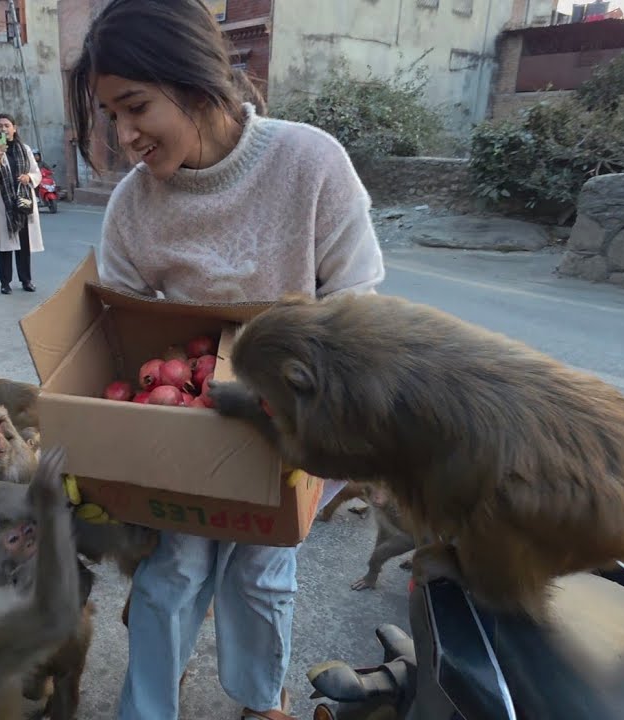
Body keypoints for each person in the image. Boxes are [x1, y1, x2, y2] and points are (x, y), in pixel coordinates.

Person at [66, 2, 385, 719]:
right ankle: (149, 706)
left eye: (136, 106)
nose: (124, 135)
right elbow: (122, 327)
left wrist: (316, 413)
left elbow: (358, 303)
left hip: (285, 430)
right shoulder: (133, 206)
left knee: (263, 575)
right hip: (182, 424)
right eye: (111, 114)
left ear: (197, 80)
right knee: (171, 573)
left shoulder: (308, 162)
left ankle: (258, 697)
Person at [0, 113, 43, 294]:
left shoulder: (25, 149)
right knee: (5, 244)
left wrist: (28, 177)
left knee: (24, 243)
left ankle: (26, 280)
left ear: (14, 129)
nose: (3, 129)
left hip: (22, 201)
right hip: (2, 203)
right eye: (0, 126)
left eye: (7, 125)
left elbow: (36, 173)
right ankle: (5, 283)